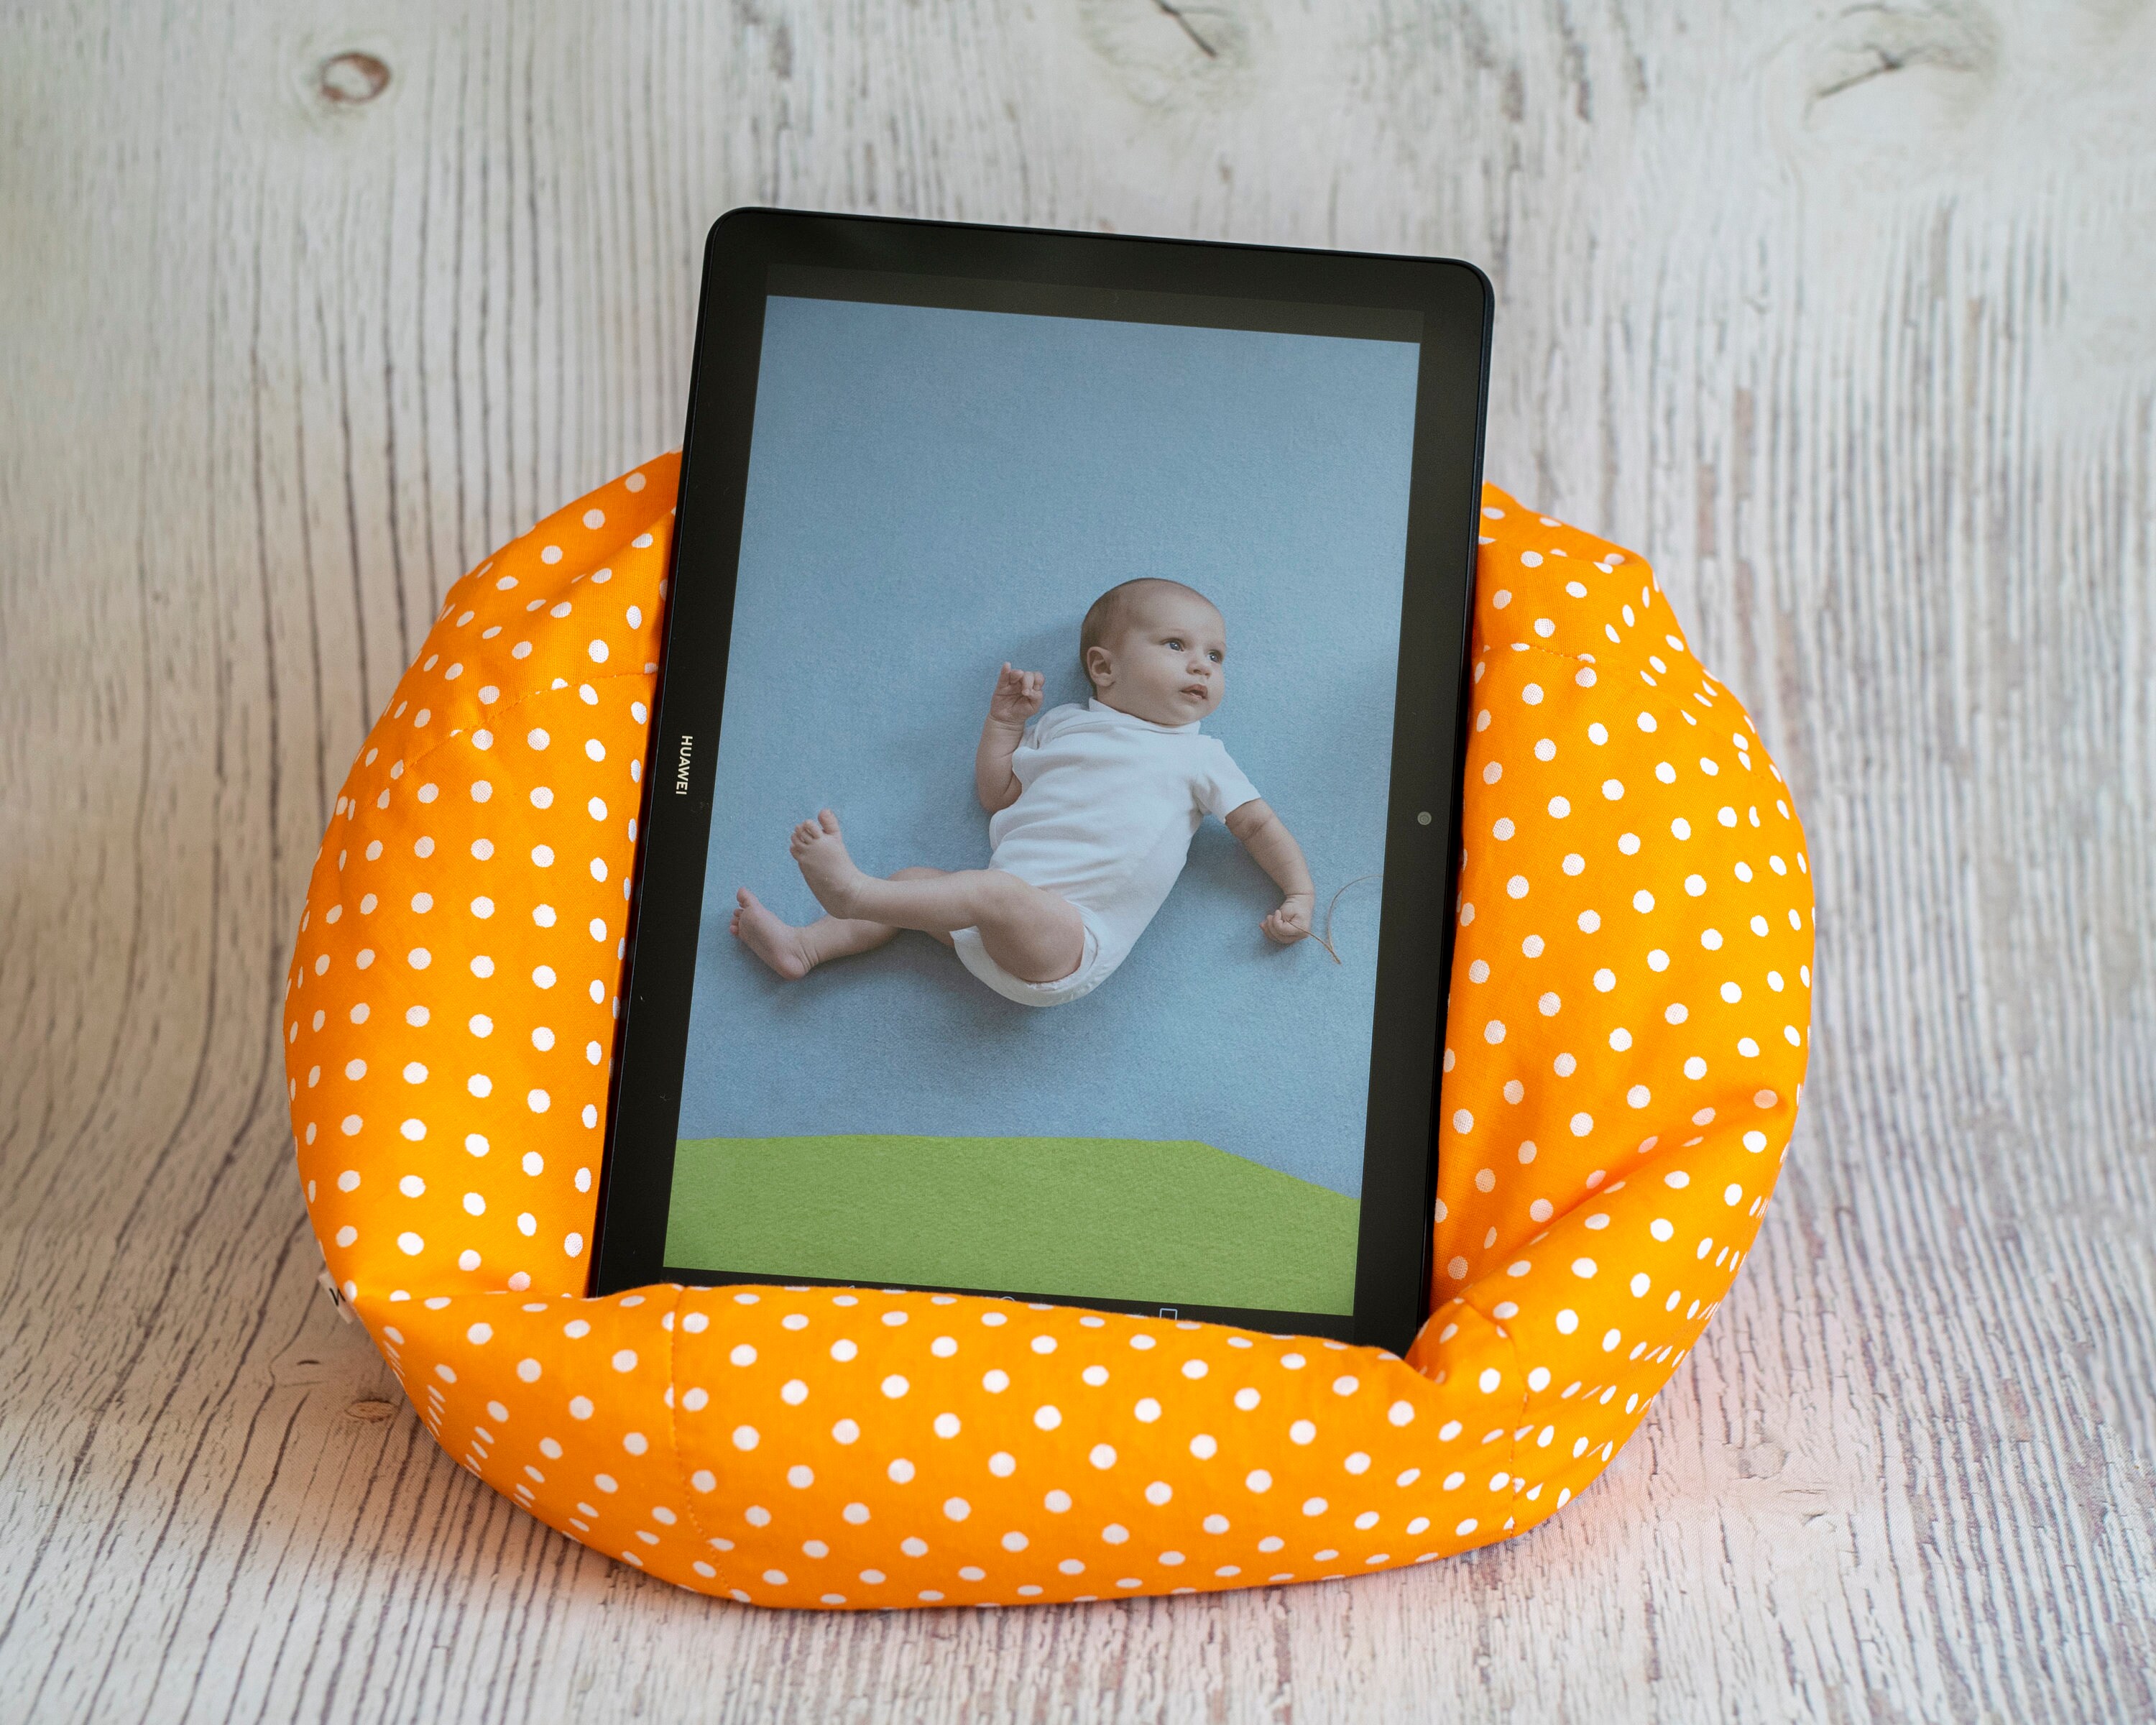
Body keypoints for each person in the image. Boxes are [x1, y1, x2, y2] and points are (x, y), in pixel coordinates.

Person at [729, 578, 1317, 1007]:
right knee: (915, 883)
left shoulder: (1200, 756)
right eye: (1176, 646)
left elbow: (1258, 825)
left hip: (1068, 944)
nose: (1202, 667)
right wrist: (1005, 726)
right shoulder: (1064, 725)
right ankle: (804, 948)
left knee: (987, 891)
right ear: (1104, 668)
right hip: (992, 927)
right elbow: (1000, 793)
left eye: (1215, 656)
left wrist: (1298, 889)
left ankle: (855, 894)